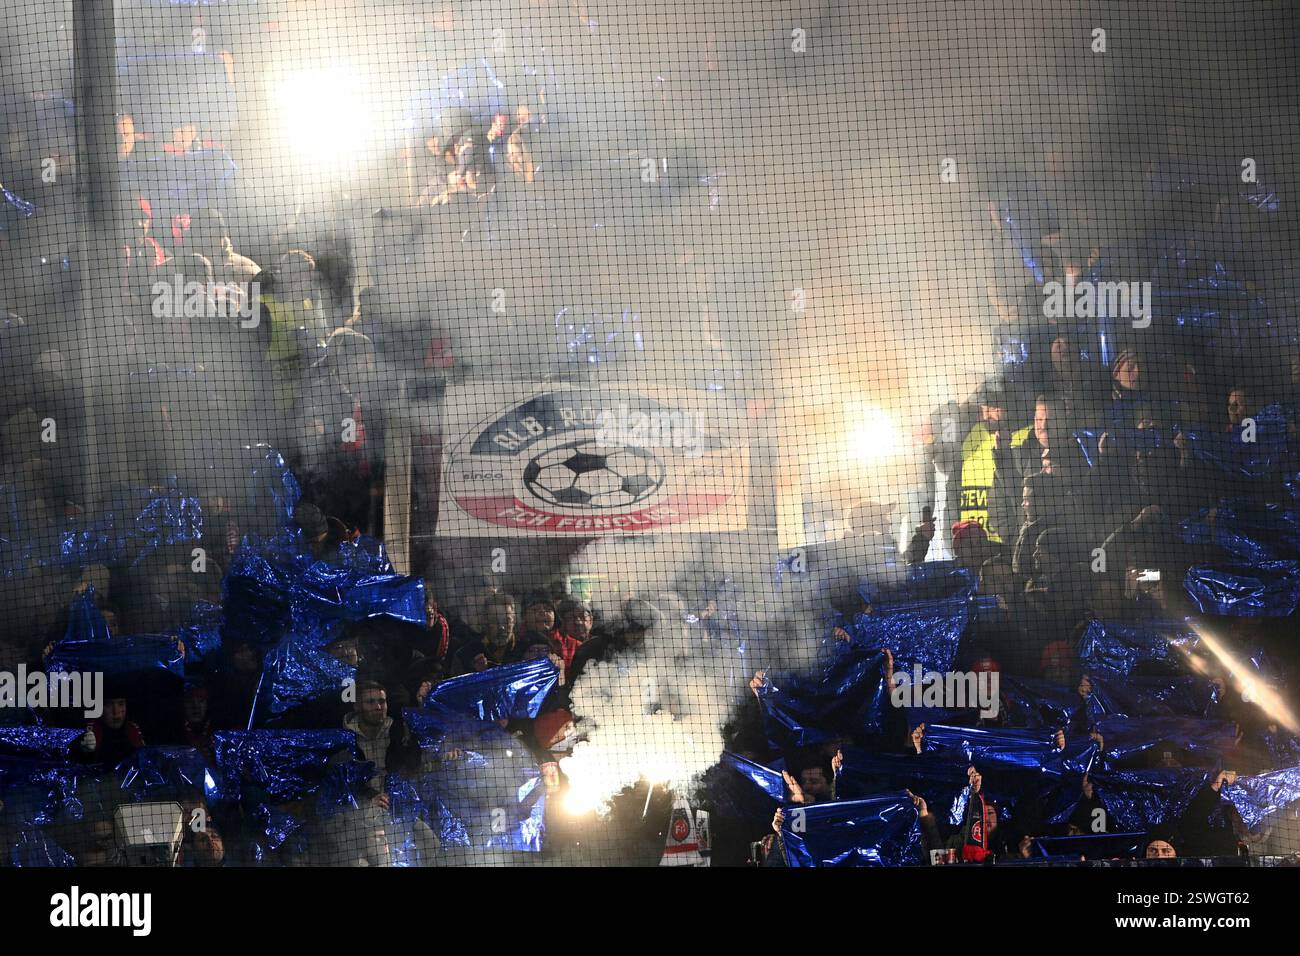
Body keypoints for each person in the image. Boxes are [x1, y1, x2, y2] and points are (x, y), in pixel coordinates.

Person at [79, 696, 146, 766]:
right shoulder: (91, 731)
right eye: (108, 705)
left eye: (121, 704)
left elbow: (143, 760)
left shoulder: (132, 729)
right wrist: (85, 753)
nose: (116, 713)